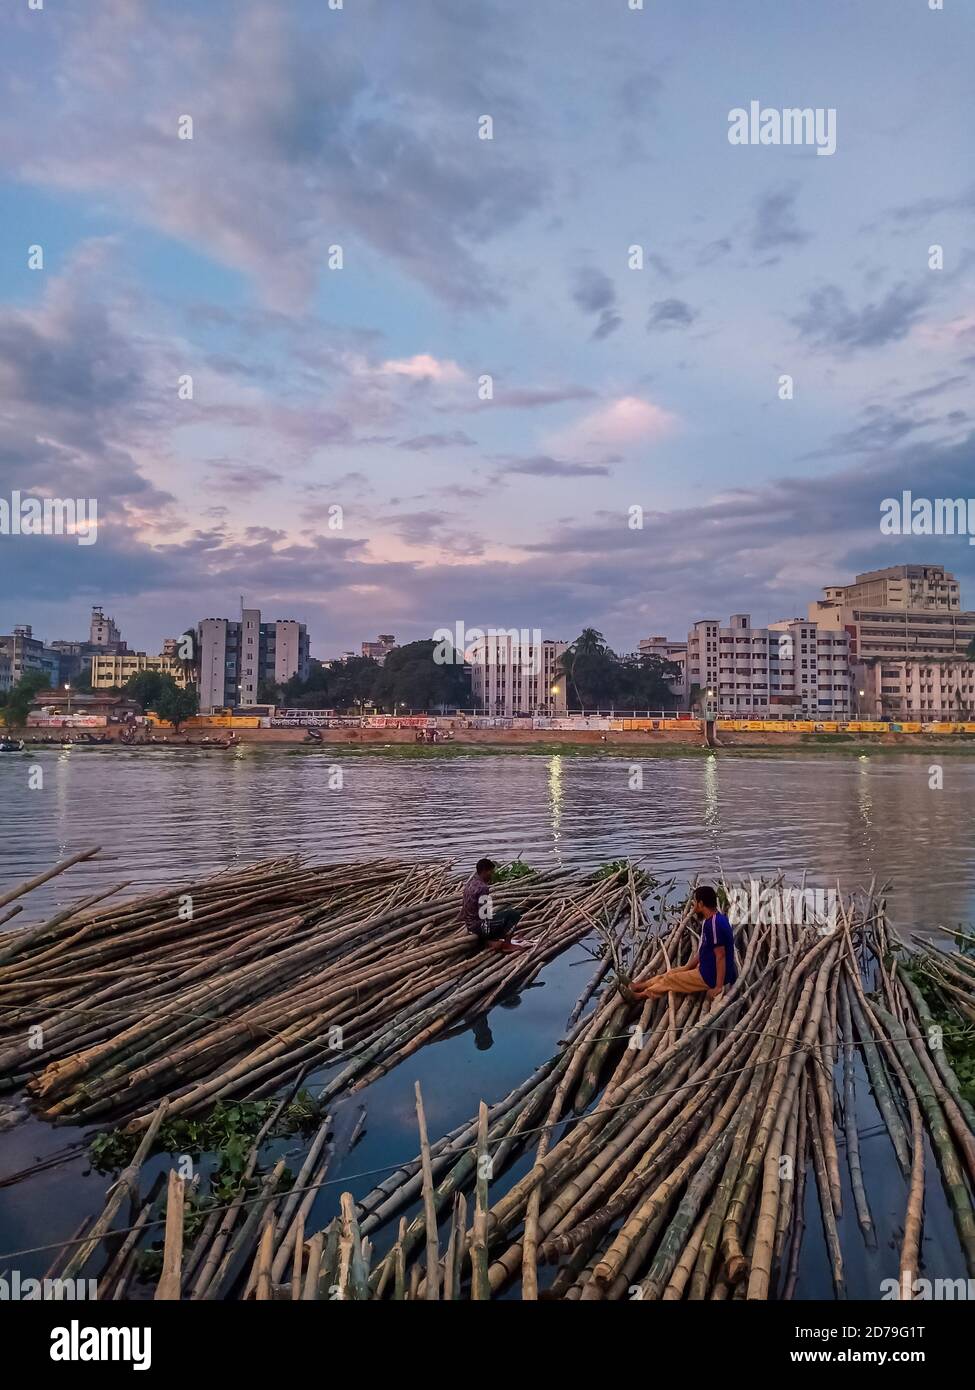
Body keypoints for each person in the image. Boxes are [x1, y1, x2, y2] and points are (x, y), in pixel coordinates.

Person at [630, 885, 737, 1001]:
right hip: (706, 969)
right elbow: (704, 950)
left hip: (710, 976)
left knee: (671, 980)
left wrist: (718, 986)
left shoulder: (715, 925)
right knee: (670, 973)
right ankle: (640, 986)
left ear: (701, 904)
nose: (693, 905)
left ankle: (641, 995)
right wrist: (688, 967)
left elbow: (721, 956)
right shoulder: (711, 921)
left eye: (695, 902)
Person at [461, 858, 527, 951]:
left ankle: (492, 940)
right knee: (514, 914)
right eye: (490, 872)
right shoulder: (482, 888)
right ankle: (507, 945)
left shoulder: (470, 884)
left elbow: (464, 910)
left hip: (470, 926)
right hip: (478, 927)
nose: (491, 875)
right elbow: (485, 915)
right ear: (484, 871)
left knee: (500, 916)